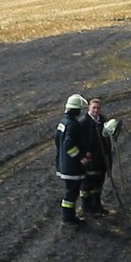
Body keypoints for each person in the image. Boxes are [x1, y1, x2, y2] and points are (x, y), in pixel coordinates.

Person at [55, 93, 89, 226]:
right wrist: (80, 157)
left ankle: (69, 216)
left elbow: (58, 141)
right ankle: (68, 218)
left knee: (70, 191)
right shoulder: (73, 124)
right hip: (72, 167)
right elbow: (69, 145)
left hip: (63, 164)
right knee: (72, 193)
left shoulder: (62, 122)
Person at [80, 97, 112, 216]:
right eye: (94, 108)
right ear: (89, 108)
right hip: (89, 160)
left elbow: (107, 138)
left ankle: (97, 206)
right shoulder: (83, 123)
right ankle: (86, 208)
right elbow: (79, 141)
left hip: (101, 159)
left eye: (98, 108)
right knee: (87, 185)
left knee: (98, 184)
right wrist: (84, 155)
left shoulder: (103, 121)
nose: (96, 110)